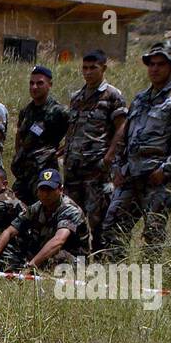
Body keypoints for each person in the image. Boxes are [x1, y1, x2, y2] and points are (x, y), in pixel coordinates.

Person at [104, 42, 171, 261]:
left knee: (153, 232)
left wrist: (165, 170)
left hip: (156, 178)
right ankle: (114, 274)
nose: (155, 69)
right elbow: (124, 137)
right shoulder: (140, 99)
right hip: (130, 175)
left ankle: (149, 282)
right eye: (151, 64)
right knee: (113, 225)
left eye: (161, 64)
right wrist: (118, 168)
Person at [64, 49, 128, 253]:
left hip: (96, 169)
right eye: (85, 68)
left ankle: (100, 258)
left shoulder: (112, 95)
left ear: (104, 68)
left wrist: (109, 158)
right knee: (72, 215)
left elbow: (121, 128)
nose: (88, 72)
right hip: (74, 168)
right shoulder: (77, 97)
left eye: (94, 68)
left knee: (97, 218)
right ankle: (76, 257)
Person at [0, 168, 88, 272]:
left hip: (73, 258)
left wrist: (31, 266)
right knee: (11, 243)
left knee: (59, 257)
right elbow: (9, 231)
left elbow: (58, 241)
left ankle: (33, 269)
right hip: (43, 252)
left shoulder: (70, 210)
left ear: (60, 190)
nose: (45, 194)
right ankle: (10, 268)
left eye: (50, 190)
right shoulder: (36, 207)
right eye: (42, 189)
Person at [11, 65, 70, 206]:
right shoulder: (26, 110)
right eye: (31, 83)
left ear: (50, 85)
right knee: (14, 206)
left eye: (39, 83)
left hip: (44, 171)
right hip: (24, 172)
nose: (34, 87)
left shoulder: (58, 111)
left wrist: (62, 149)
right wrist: (18, 153)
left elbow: (75, 131)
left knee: (44, 208)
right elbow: (19, 135)